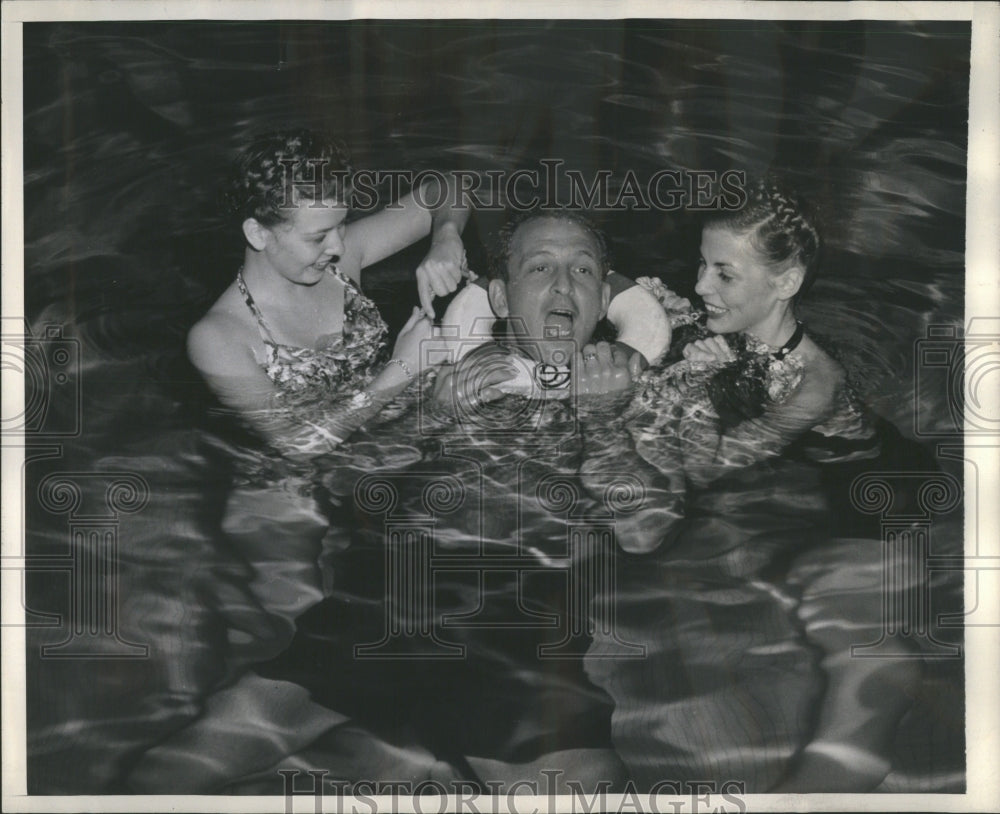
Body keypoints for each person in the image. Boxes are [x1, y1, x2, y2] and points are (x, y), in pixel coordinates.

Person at [583, 178, 924, 792]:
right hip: (784, 473)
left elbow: (711, 466)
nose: (699, 285)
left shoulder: (816, 381)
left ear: (785, 282)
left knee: (865, 645)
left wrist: (687, 392)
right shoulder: (720, 328)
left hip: (861, 488)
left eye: (723, 273)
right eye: (700, 265)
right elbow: (608, 278)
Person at [188, 129, 471, 458]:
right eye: (318, 237)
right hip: (321, 483)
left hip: (407, 438)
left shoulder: (343, 259)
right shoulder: (218, 337)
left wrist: (446, 238)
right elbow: (297, 445)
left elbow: (450, 187)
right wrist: (403, 367)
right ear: (258, 233)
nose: (337, 247)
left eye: (341, 225)